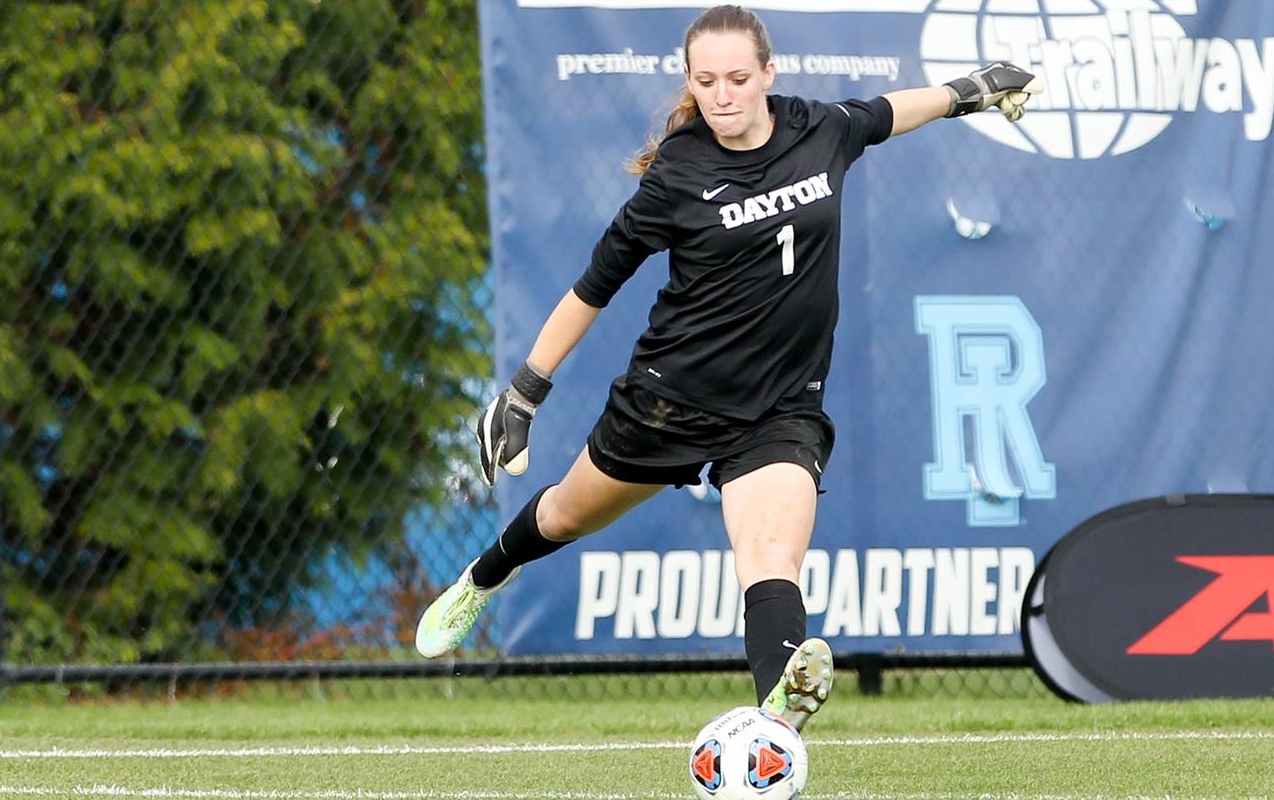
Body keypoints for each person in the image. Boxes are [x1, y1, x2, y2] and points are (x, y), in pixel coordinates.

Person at [415, 4, 1042, 731]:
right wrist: (524, 393)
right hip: (669, 400)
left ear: (768, 75)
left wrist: (971, 88)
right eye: (706, 79)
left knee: (771, 554)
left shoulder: (820, 129)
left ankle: (777, 718)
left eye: (738, 77)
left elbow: (888, 111)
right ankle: (483, 576)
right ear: (690, 80)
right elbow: (595, 284)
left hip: (780, 406)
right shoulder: (677, 176)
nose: (722, 94)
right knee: (561, 514)